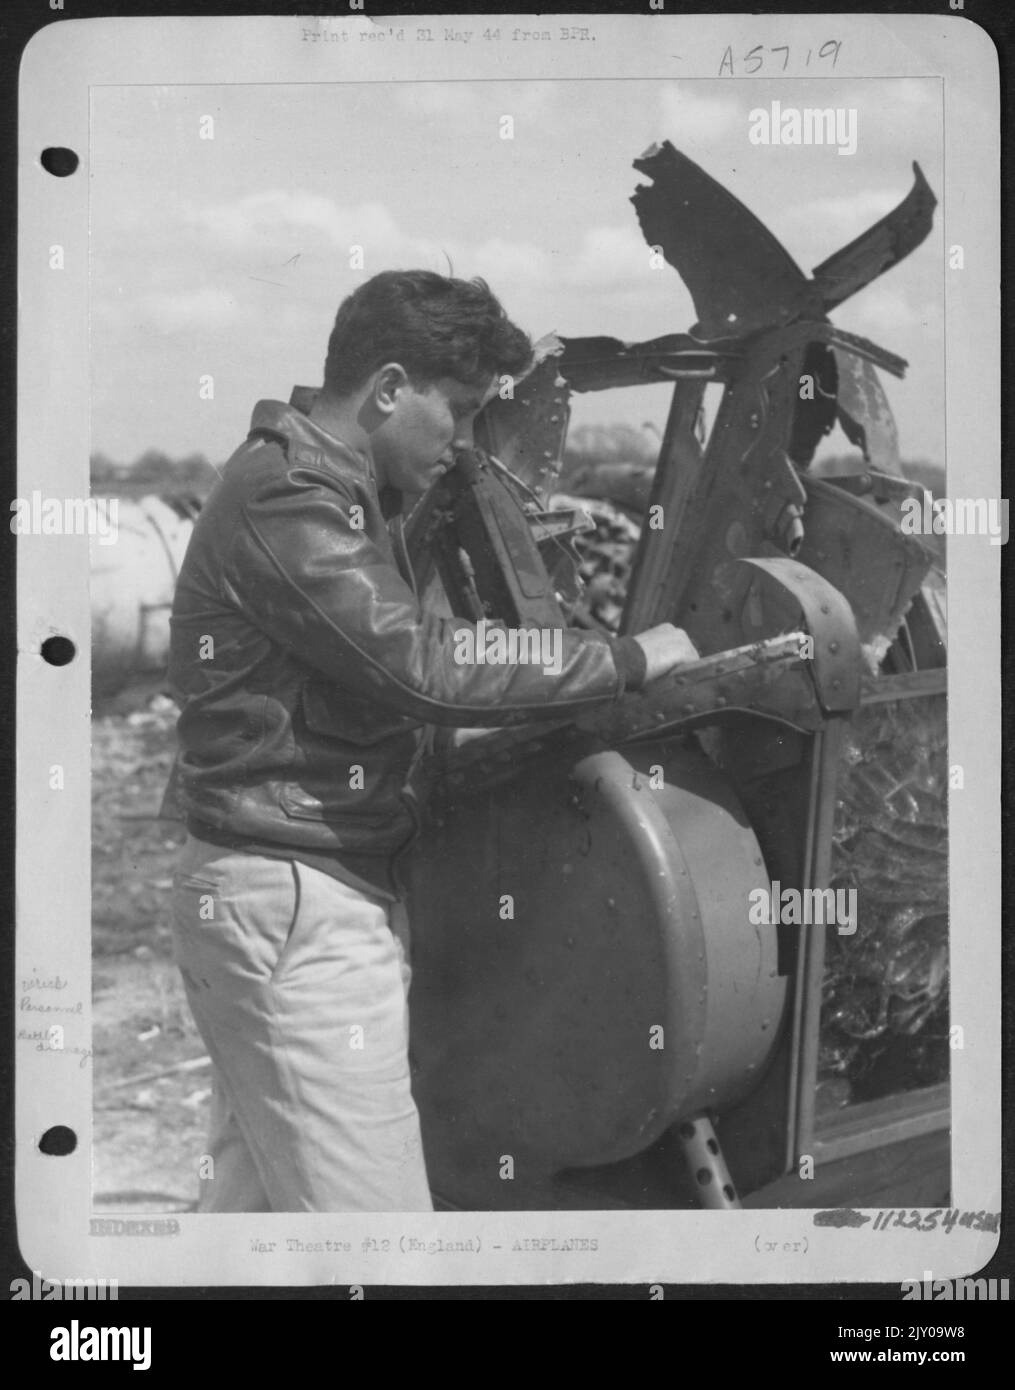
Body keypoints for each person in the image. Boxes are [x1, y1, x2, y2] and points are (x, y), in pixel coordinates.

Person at [166, 269, 697, 1212]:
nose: (460, 443)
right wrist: (621, 659)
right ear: (385, 388)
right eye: (454, 411)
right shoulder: (289, 497)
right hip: (297, 903)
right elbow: (425, 664)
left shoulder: (333, 491)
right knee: (382, 1242)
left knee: (245, 1230)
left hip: (288, 889)